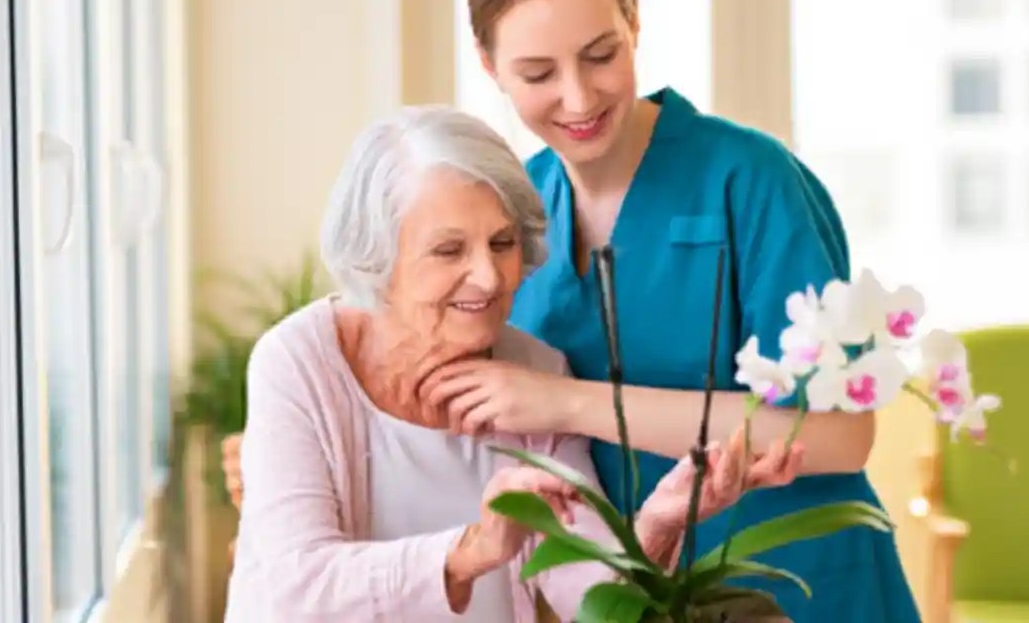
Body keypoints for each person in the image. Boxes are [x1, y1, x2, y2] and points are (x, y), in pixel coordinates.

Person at [419, 0, 920, 621]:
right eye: (538, 72)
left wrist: (565, 402)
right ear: (488, 63)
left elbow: (841, 434)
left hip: (805, 590)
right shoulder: (506, 215)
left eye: (601, 54)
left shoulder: (750, 181)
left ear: (634, 21)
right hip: (632, 601)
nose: (579, 97)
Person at [223, 106, 805, 622]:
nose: (489, 276)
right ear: (376, 260)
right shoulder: (298, 362)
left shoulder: (536, 373)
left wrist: (664, 517)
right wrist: (474, 549)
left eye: (502, 243)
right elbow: (295, 589)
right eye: (450, 250)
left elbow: (595, 603)